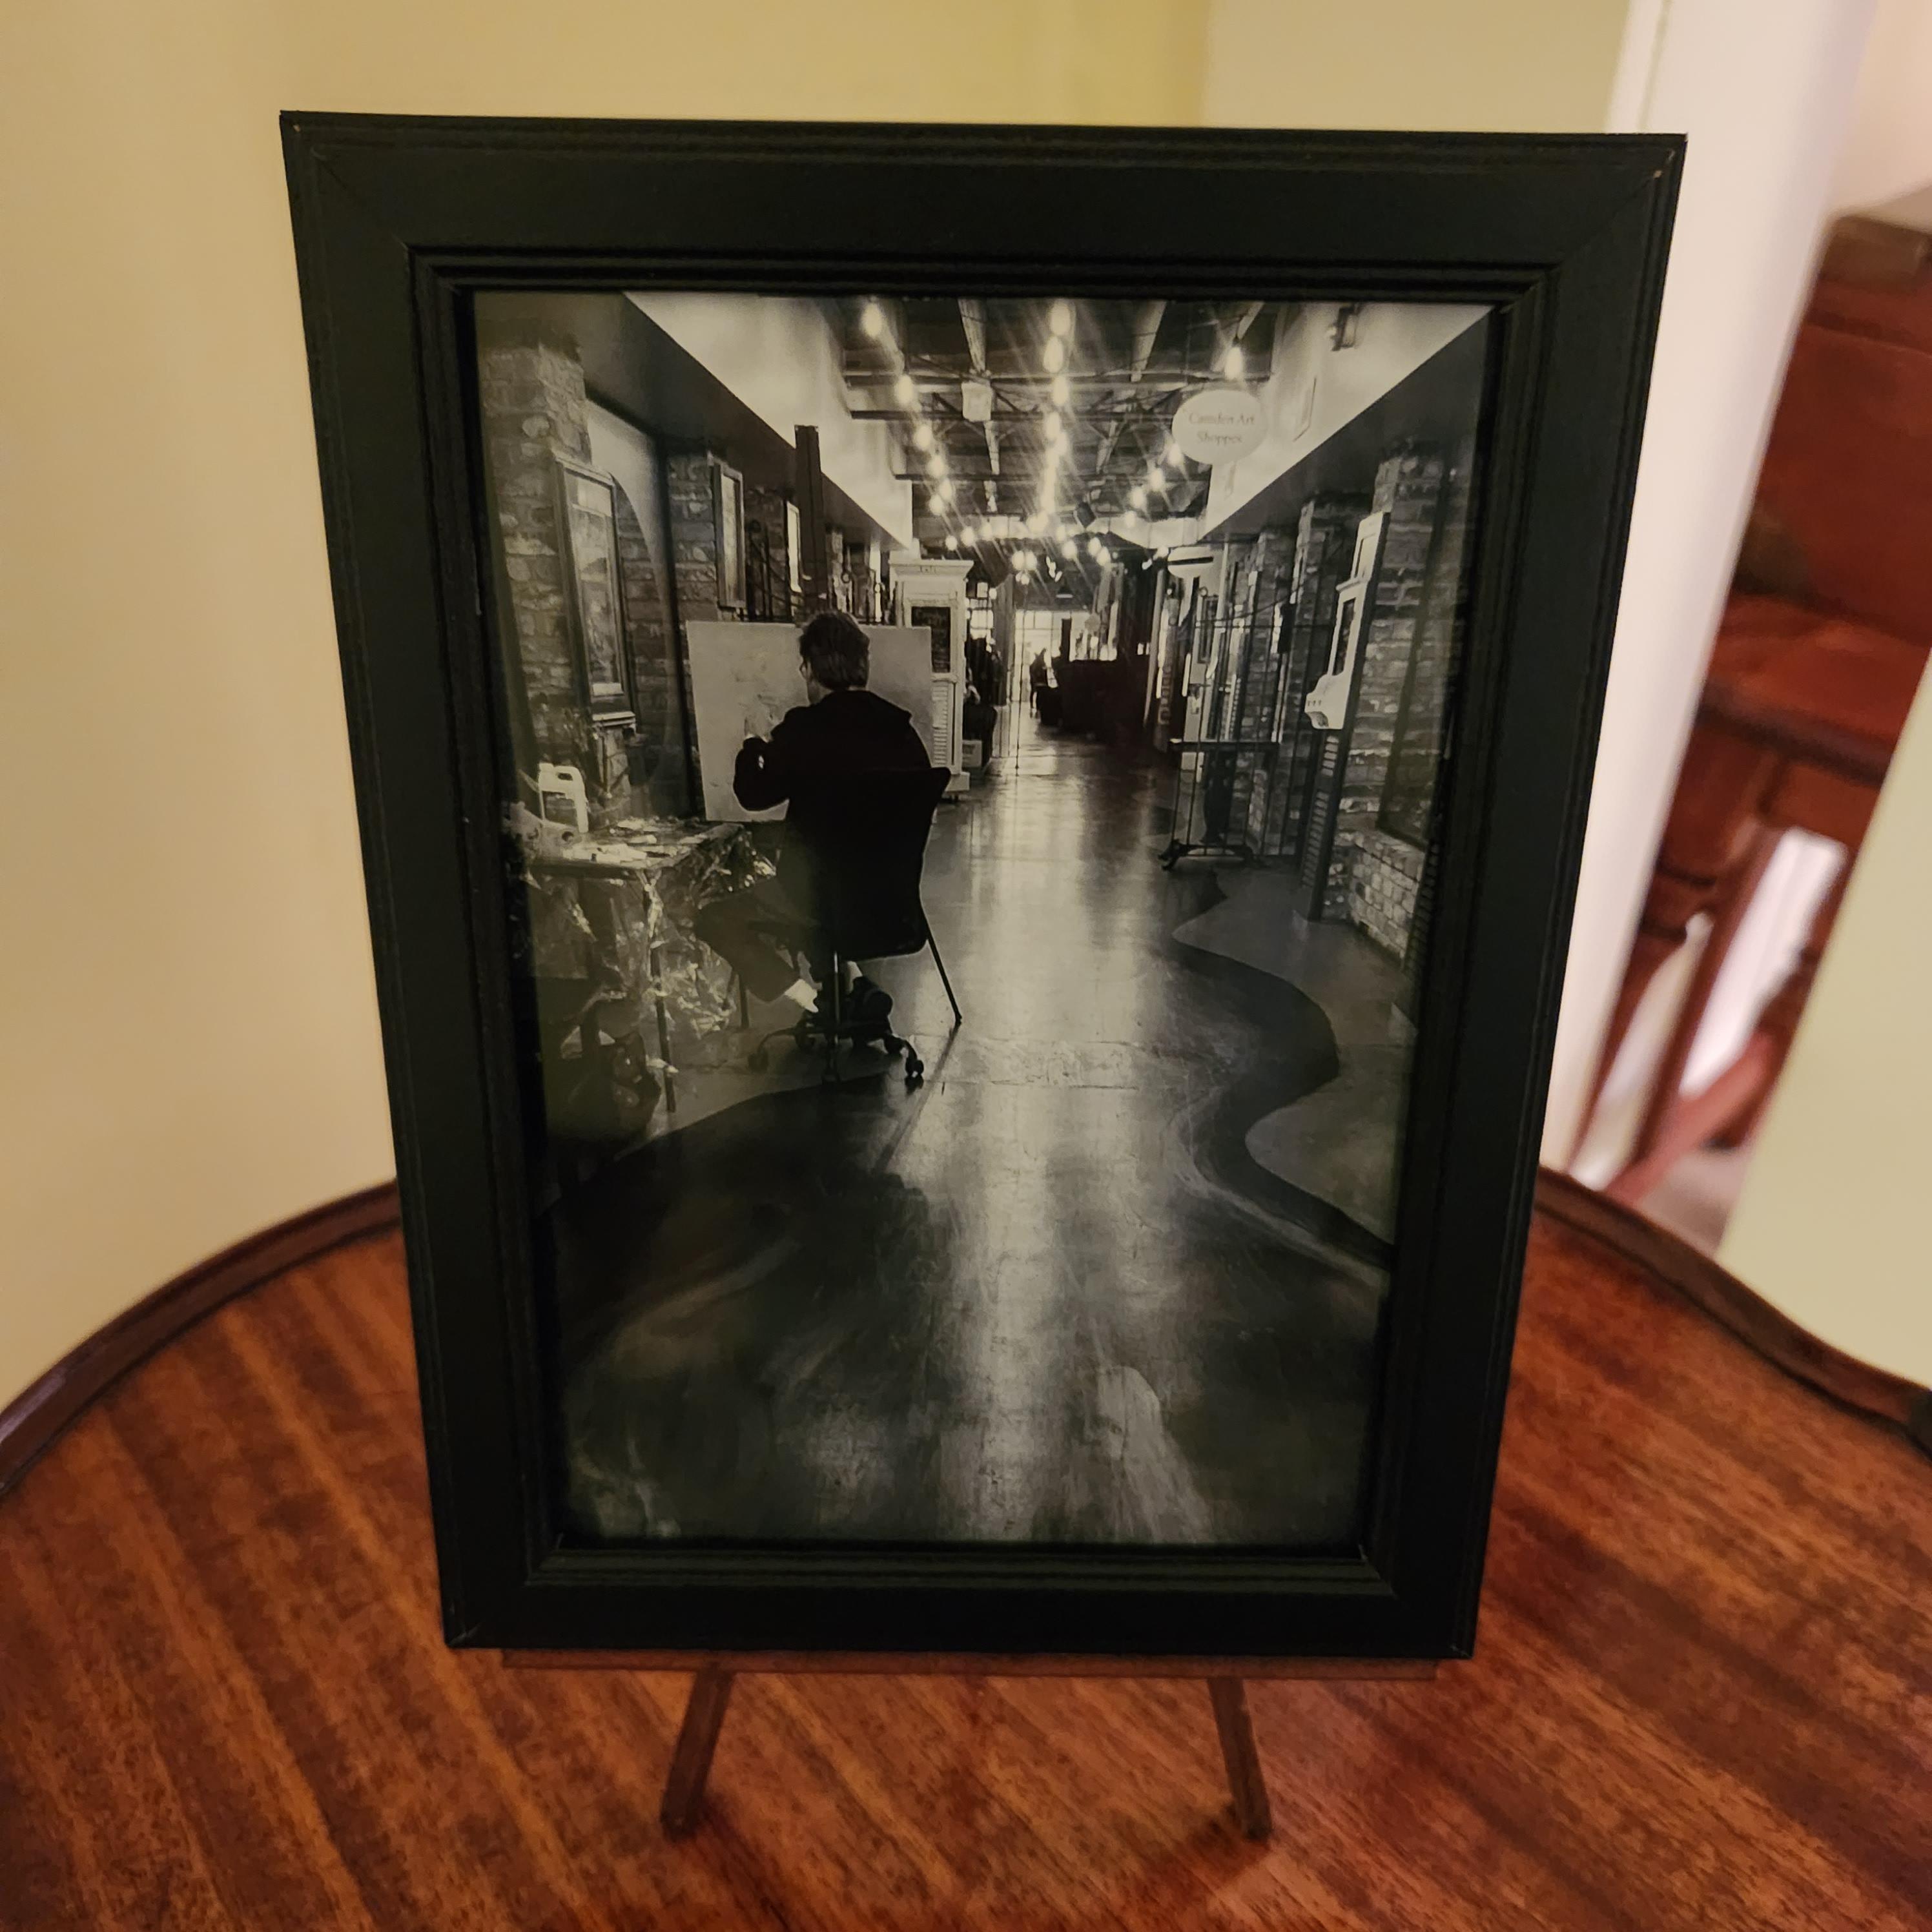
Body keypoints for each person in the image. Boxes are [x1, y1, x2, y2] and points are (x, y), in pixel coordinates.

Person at [694, 610, 930, 1027]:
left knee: (715, 916)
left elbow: (752, 795)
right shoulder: (902, 731)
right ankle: (856, 985)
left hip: (819, 900)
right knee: (825, 884)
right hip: (892, 905)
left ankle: (816, 1003)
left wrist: (752, 744)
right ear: (862, 665)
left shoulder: (804, 730)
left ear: (809, 668)